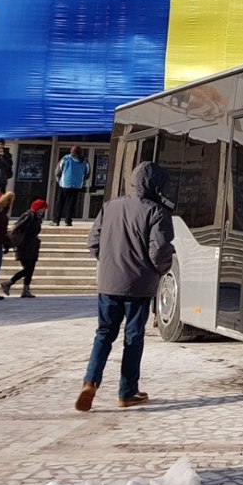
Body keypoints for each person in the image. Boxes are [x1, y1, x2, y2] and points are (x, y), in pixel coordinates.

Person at [75, 162, 175, 411]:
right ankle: (127, 392)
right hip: (139, 285)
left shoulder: (110, 206)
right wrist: (160, 270)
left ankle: (90, 382)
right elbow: (159, 251)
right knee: (133, 337)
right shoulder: (158, 212)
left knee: (103, 334)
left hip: (108, 283)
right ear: (156, 185)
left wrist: (109, 263)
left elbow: (93, 242)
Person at [2, 199, 48, 298]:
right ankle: (9, 282)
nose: (44, 210)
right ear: (39, 208)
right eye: (43, 208)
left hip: (32, 245)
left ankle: (25, 290)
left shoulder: (37, 217)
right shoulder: (29, 216)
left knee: (31, 269)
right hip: (24, 245)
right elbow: (17, 227)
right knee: (28, 268)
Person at [53, 146, 90, 226]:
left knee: (60, 202)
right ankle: (68, 221)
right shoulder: (85, 161)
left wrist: (59, 180)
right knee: (71, 203)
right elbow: (87, 174)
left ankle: (56, 221)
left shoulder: (66, 158)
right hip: (77, 185)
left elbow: (57, 171)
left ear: (71, 152)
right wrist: (81, 180)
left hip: (64, 184)